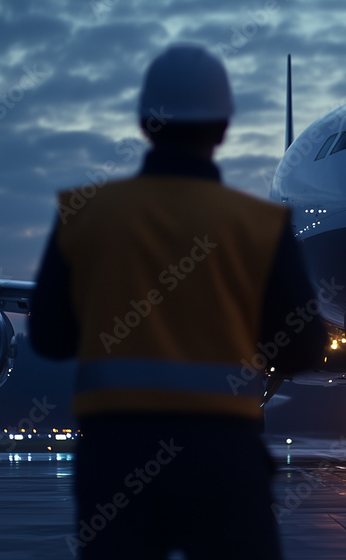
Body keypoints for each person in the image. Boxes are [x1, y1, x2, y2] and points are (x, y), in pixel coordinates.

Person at [29, 44, 326, 559]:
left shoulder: (83, 214)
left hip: (115, 455)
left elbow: (48, 339)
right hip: (223, 455)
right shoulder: (258, 226)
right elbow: (303, 350)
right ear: (224, 128)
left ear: (145, 121)